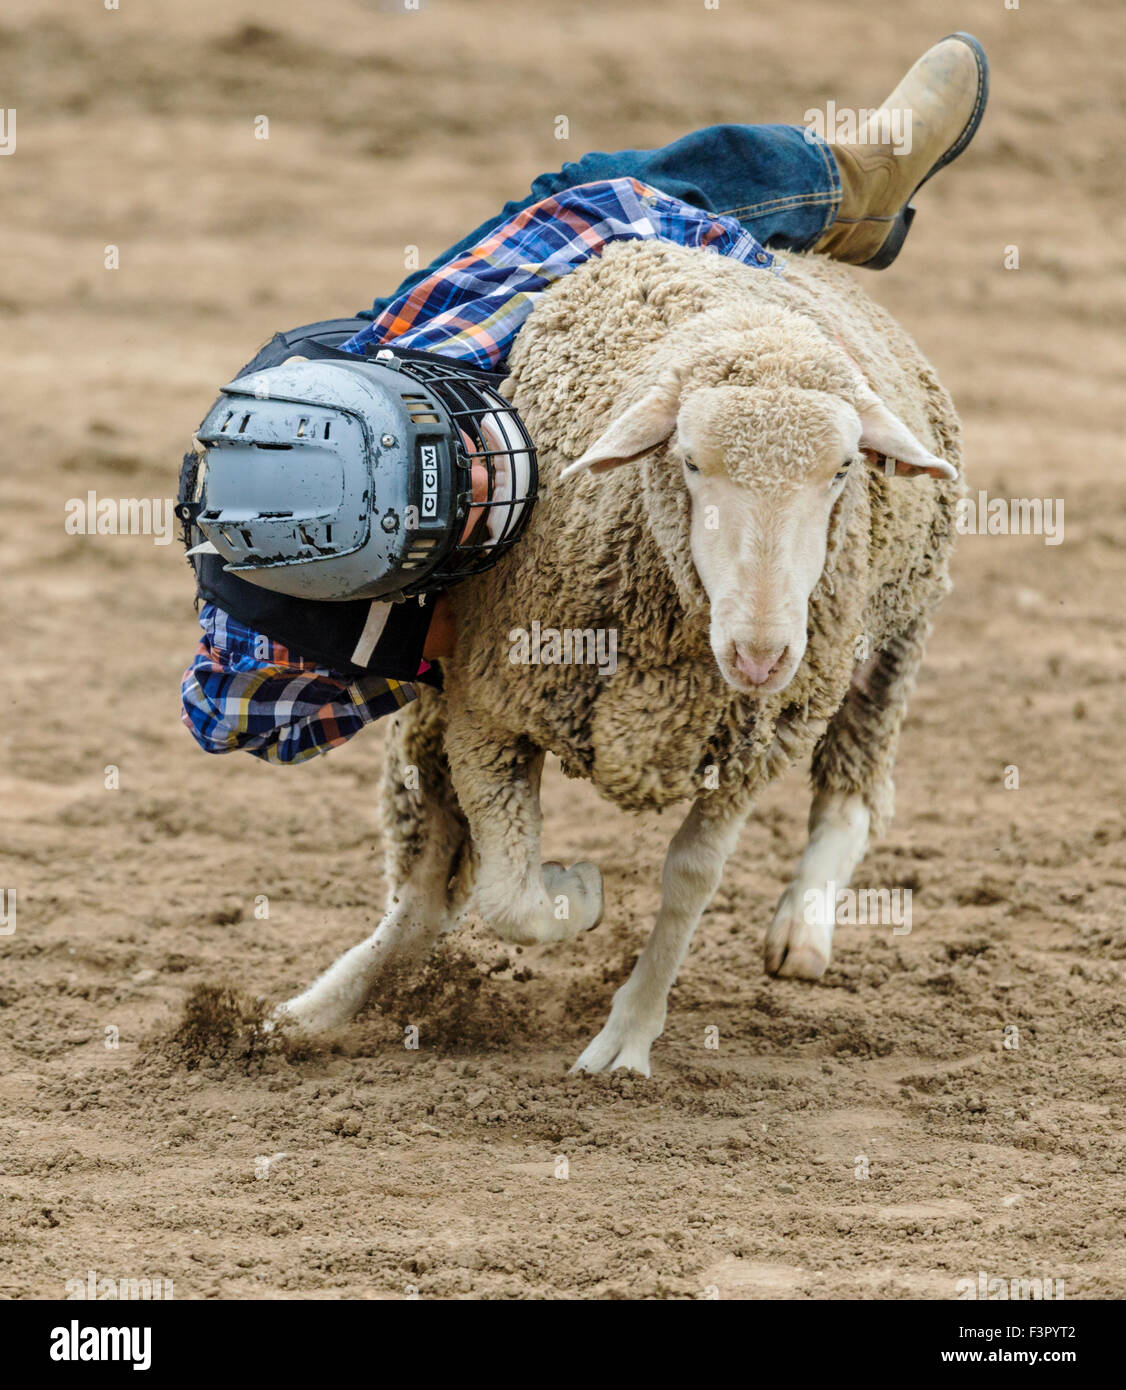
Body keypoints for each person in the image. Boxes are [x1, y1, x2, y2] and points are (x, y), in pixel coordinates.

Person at [178, 33, 988, 765]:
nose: (491, 483)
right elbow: (463, 642)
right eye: (461, 503)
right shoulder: (319, 626)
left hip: (385, 398)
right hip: (316, 599)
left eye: (468, 465)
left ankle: (846, 188)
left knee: (590, 184)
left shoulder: (433, 340)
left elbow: (620, 213)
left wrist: (801, 327)